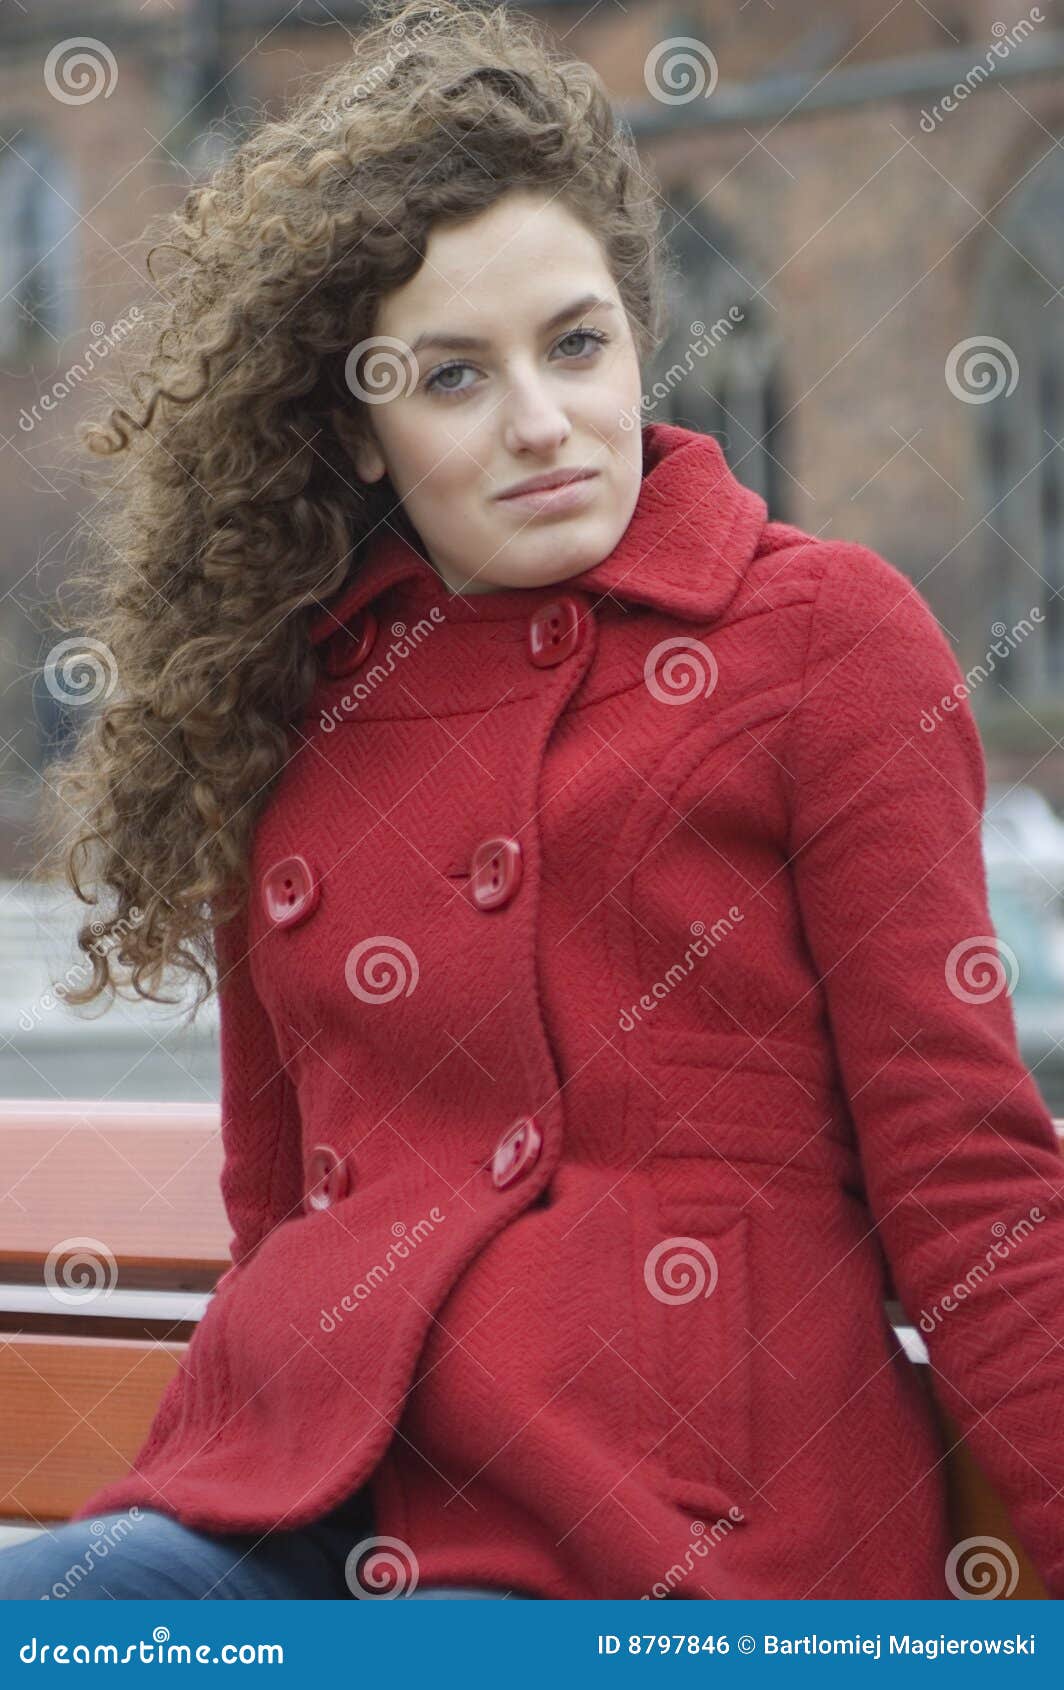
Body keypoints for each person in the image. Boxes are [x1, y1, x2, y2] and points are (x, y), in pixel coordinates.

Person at [6, 0, 1064, 1602]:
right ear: (362, 435)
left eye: (576, 344)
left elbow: (968, 1173)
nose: (543, 424)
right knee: (62, 1609)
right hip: (313, 1503)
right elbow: (280, 1201)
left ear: (638, 335)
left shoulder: (822, 639)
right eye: (452, 377)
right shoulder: (293, 698)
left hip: (683, 1537)